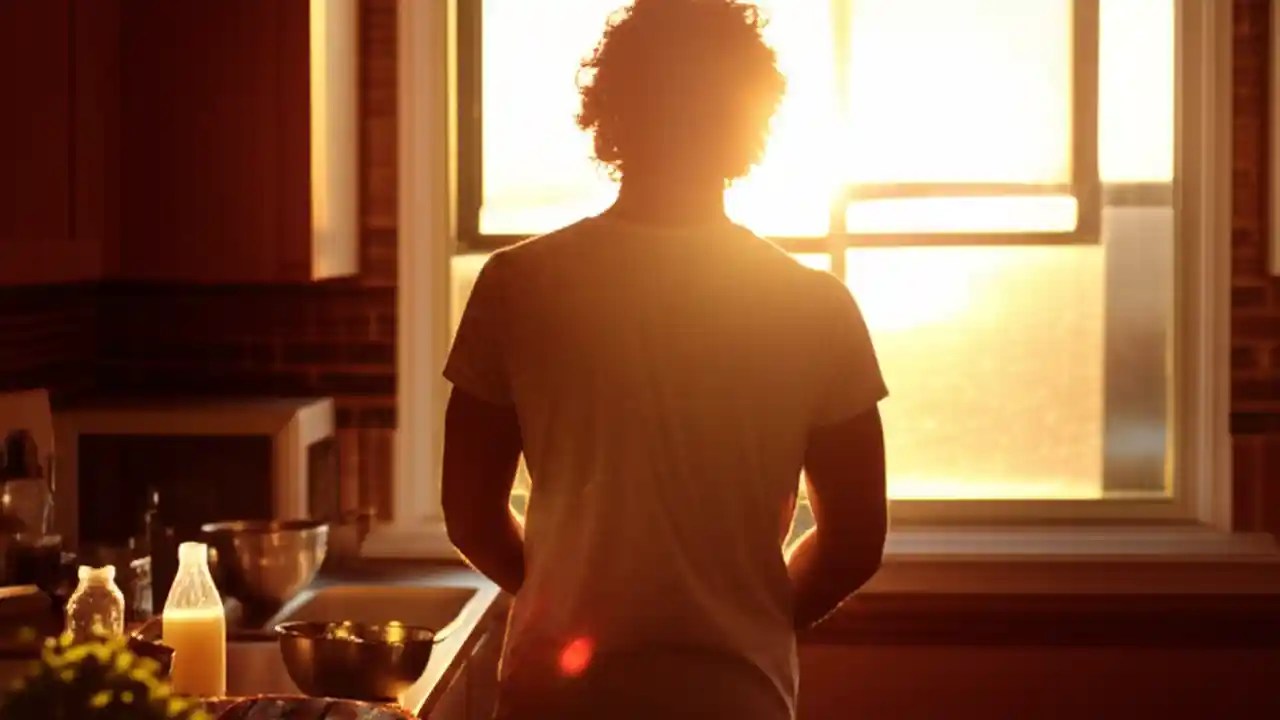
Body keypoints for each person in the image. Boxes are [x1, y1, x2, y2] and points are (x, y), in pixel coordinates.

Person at [442, 1, 888, 717]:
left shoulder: (519, 286)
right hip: (734, 694)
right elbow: (855, 541)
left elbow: (469, 513)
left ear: (610, 110)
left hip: (558, 690)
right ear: (751, 121)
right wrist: (746, 615)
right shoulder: (815, 305)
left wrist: (574, 600)